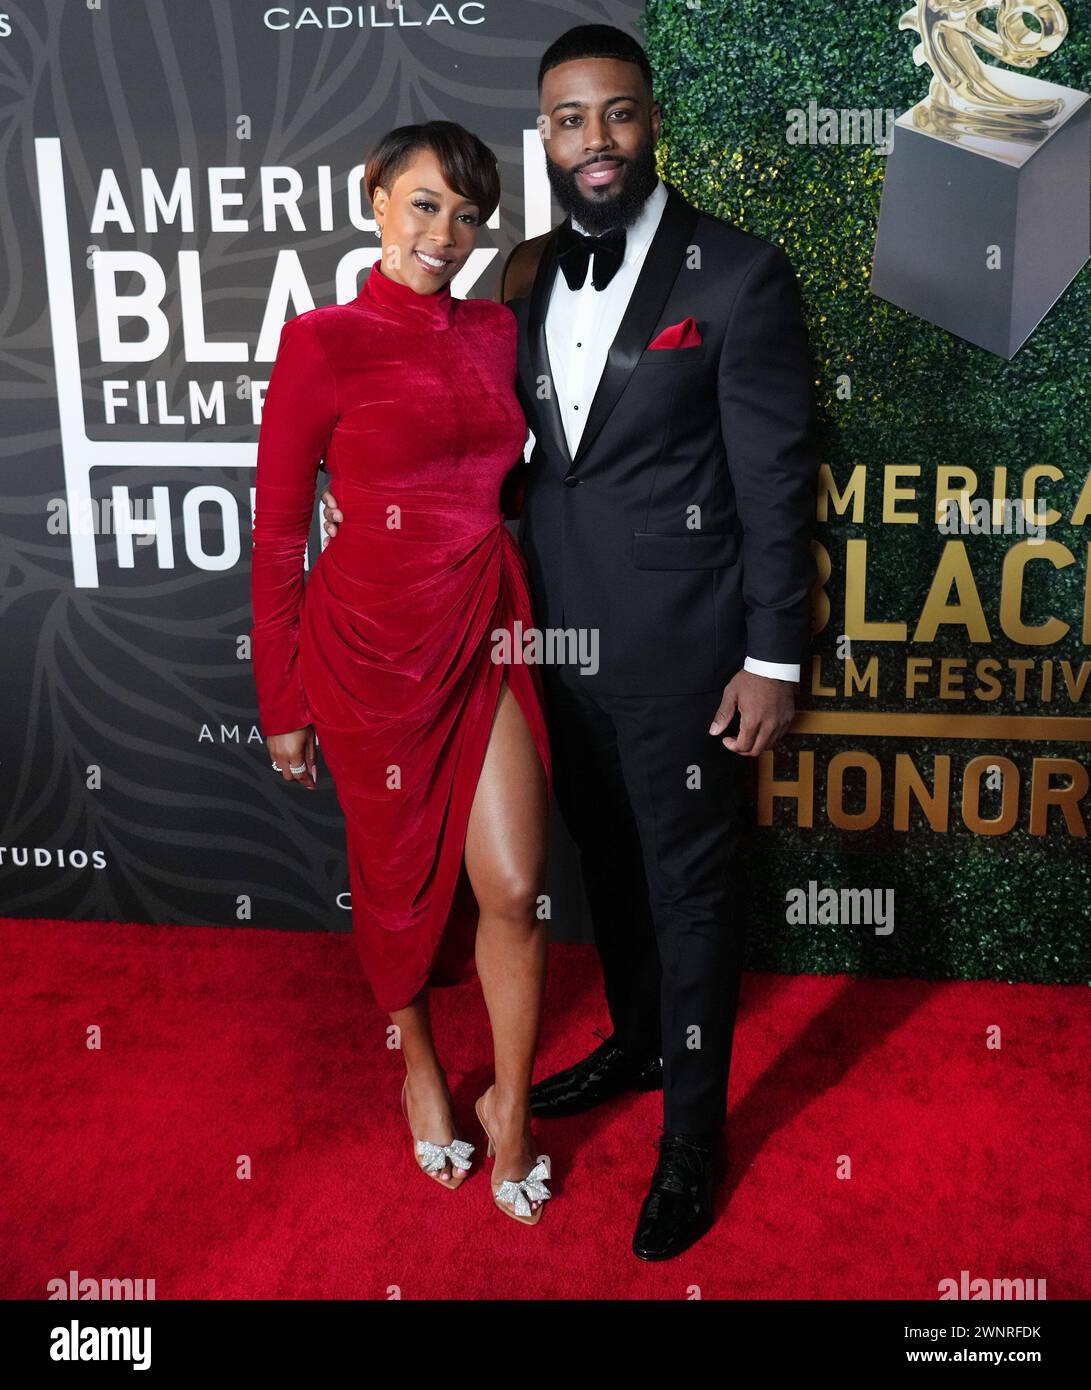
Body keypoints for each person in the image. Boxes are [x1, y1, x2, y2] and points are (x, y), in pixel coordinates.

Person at [322, 25, 818, 1259]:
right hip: (541, 644)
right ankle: (641, 1044)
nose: (592, 140)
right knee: (602, 869)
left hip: (689, 655)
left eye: (616, 115)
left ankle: (692, 1141)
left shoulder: (737, 274)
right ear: (541, 132)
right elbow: (492, 449)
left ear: (651, 123)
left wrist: (773, 658)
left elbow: (773, 479)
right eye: (566, 119)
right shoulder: (521, 275)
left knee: (693, 894)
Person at [250, 121, 555, 1226]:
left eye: (468, 215)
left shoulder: (496, 331)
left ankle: (511, 1112)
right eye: (424, 205)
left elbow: (510, 468)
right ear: (372, 197)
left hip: (484, 626)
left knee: (515, 886)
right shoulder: (321, 342)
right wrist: (281, 701)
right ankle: (419, 1061)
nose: (446, 234)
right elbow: (279, 531)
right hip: (369, 649)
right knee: (394, 890)